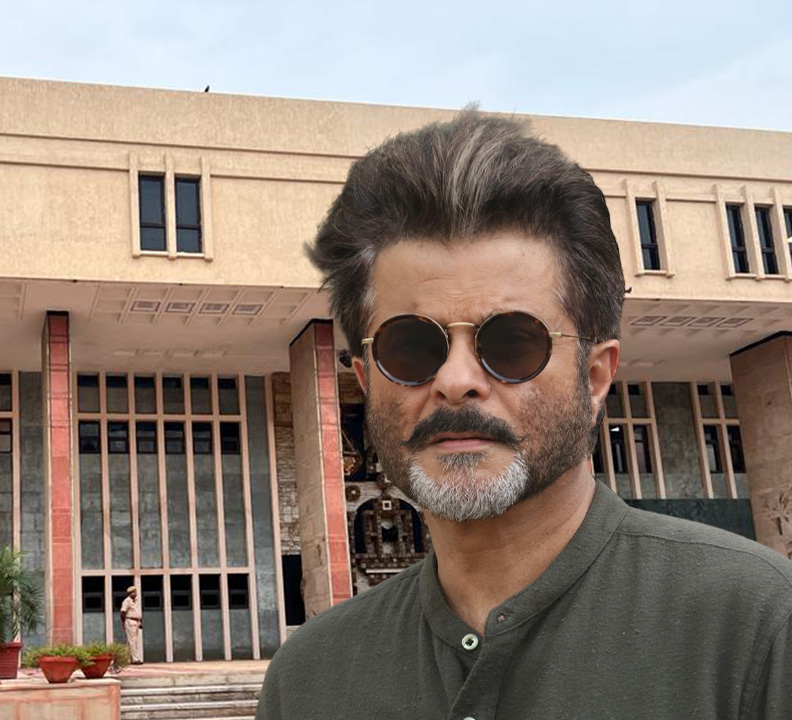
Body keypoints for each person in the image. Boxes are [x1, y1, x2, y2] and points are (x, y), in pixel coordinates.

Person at [256, 109, 791, 719]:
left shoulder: (757, 628)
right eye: (412, 347)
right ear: (366, 380)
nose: (456, 381)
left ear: (595, 376)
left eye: (512, 342)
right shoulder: (311, 677)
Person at [120, 585, 144, 665]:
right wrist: (123, 622)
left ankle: (126, 658)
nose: (135, 593)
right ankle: (135, 659)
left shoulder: (136, 600)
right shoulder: (127, 601)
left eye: (135, 592)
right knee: (132, 641)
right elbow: (122, 612)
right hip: (130, 621)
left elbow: (137, 612)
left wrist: (140, 622)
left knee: (132, 641)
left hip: (137, 621)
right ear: (129, 593)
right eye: (133, 592)